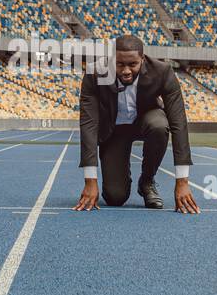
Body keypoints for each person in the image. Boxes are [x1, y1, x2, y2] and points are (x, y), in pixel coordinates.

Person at [74, 34, 198, 213]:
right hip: (113, 130)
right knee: (115, 197)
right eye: (119, 64)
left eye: (132, 64)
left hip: (145, 120)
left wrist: (182, 181)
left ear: (143, 60)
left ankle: (146, 181)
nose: (126, 71)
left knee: (159, 125)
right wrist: (90, 181)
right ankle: (121, 179)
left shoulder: (162, 72)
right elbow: (89, 124)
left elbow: (178, 123)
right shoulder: (95, 73)